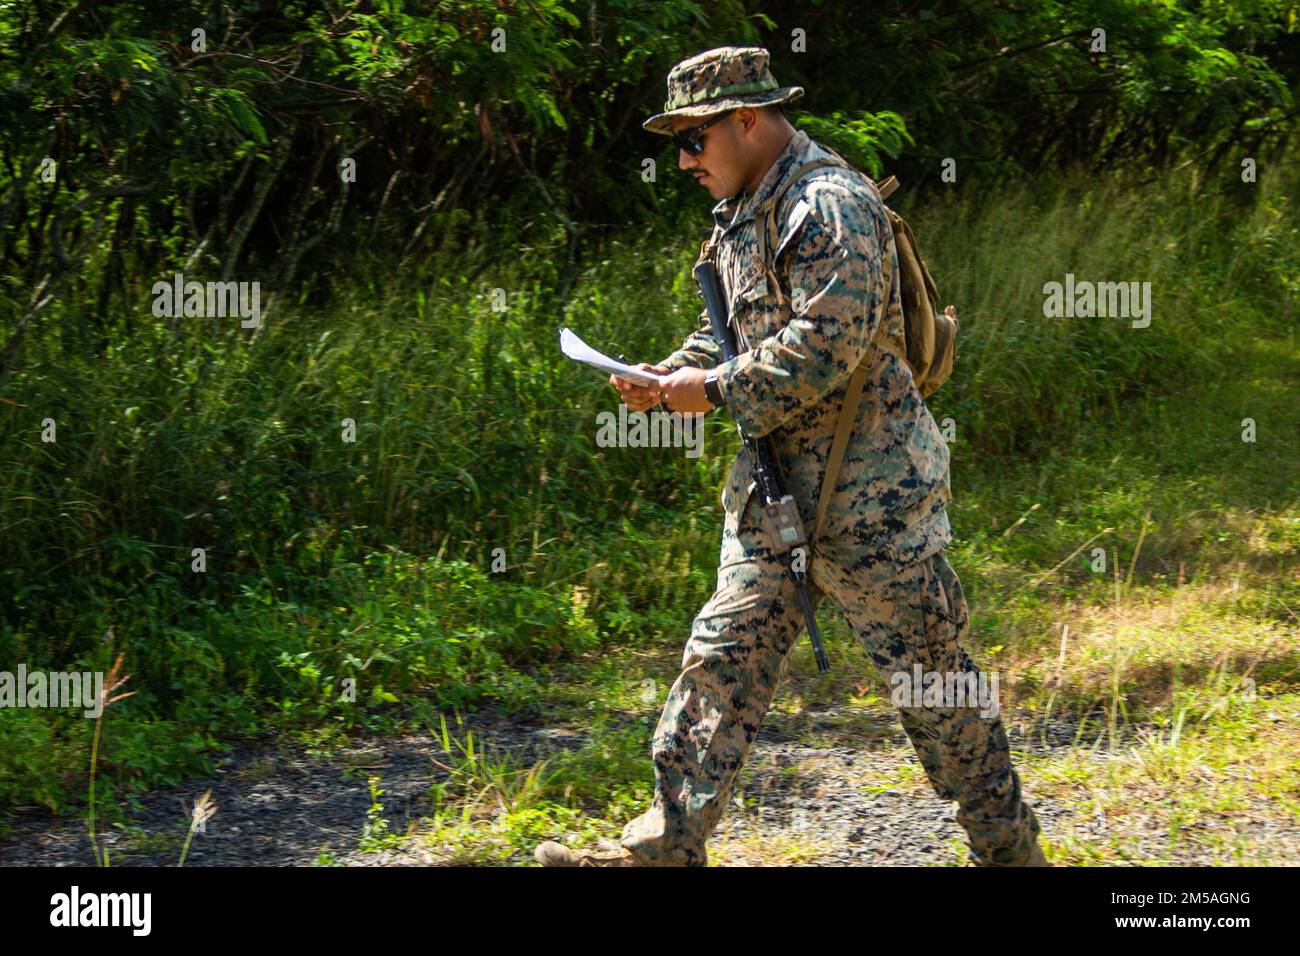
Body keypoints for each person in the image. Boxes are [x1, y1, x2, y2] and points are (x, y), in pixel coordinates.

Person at [536, 46, 1047, 867]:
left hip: (872, 498)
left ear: (747, 120)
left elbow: (827, 342)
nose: (684, 160)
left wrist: (713, 390)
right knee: (722, 659)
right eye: (678, 143)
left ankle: (1008, 848)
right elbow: (735, 331)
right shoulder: (744, 211)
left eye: (694, 139)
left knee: (934, 686)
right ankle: (668, 839)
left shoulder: (828, 203)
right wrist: (670, 373)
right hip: (775, 496)